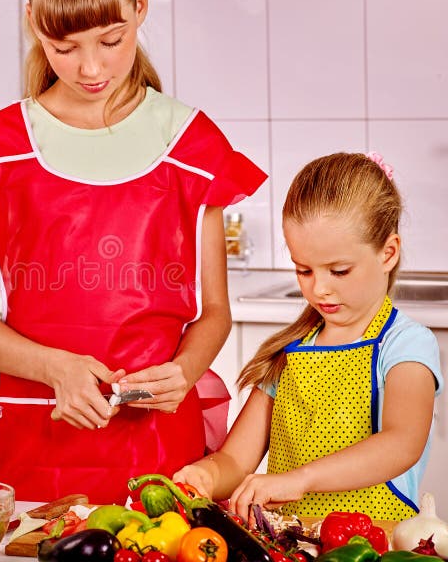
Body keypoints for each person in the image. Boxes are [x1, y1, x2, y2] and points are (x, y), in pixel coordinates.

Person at [0, 0, 266, 503]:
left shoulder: (192, 146)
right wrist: (55, 368)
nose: (91, 67)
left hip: (159, 450)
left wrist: (183, 372)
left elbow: (214, 312)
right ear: (32, 23)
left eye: (111, 40)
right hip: (36, 449)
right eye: (64, 47)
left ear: (140, 6)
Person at [173, 152, 443, 522]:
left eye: (339, 271)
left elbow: (401, 443)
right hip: (292, 543)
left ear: (388, 253)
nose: (319, 290)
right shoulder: (290, 352)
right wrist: (207, 475)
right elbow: (235, 459)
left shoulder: (405, 345)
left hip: (376, 542)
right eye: (303, 270)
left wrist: (301, 480)